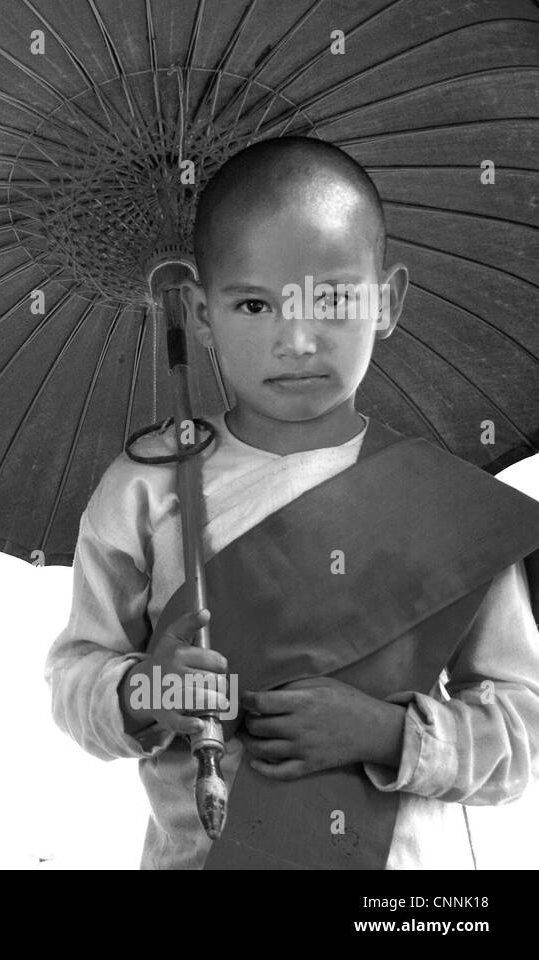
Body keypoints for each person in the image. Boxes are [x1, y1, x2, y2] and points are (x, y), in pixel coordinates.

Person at [46, 136, 539, 869]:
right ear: (202, 316)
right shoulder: (147, 486)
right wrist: (147, 691)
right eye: (253, 303)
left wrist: (384, 734)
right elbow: (76, 676)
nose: (298, 339)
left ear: (388, 302)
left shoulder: (451, 506)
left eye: (334, 298)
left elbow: (519, 736)